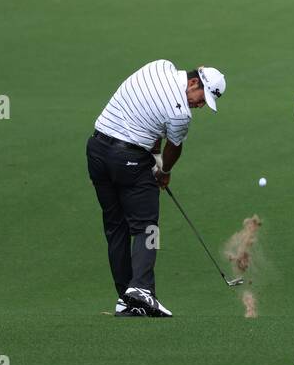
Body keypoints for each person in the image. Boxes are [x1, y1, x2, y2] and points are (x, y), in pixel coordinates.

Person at [87, 60, 226, 318]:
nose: (200, 104)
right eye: (202, 98)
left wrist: (154, 155)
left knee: (115, 226)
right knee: (147, 227)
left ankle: (126, 299)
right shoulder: (181, 114)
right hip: (127, 159)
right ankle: (142, 290)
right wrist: (163, 171)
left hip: (96, 150)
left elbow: (149, 115)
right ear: (194, 82)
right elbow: (174, 146)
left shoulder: (159, 66)